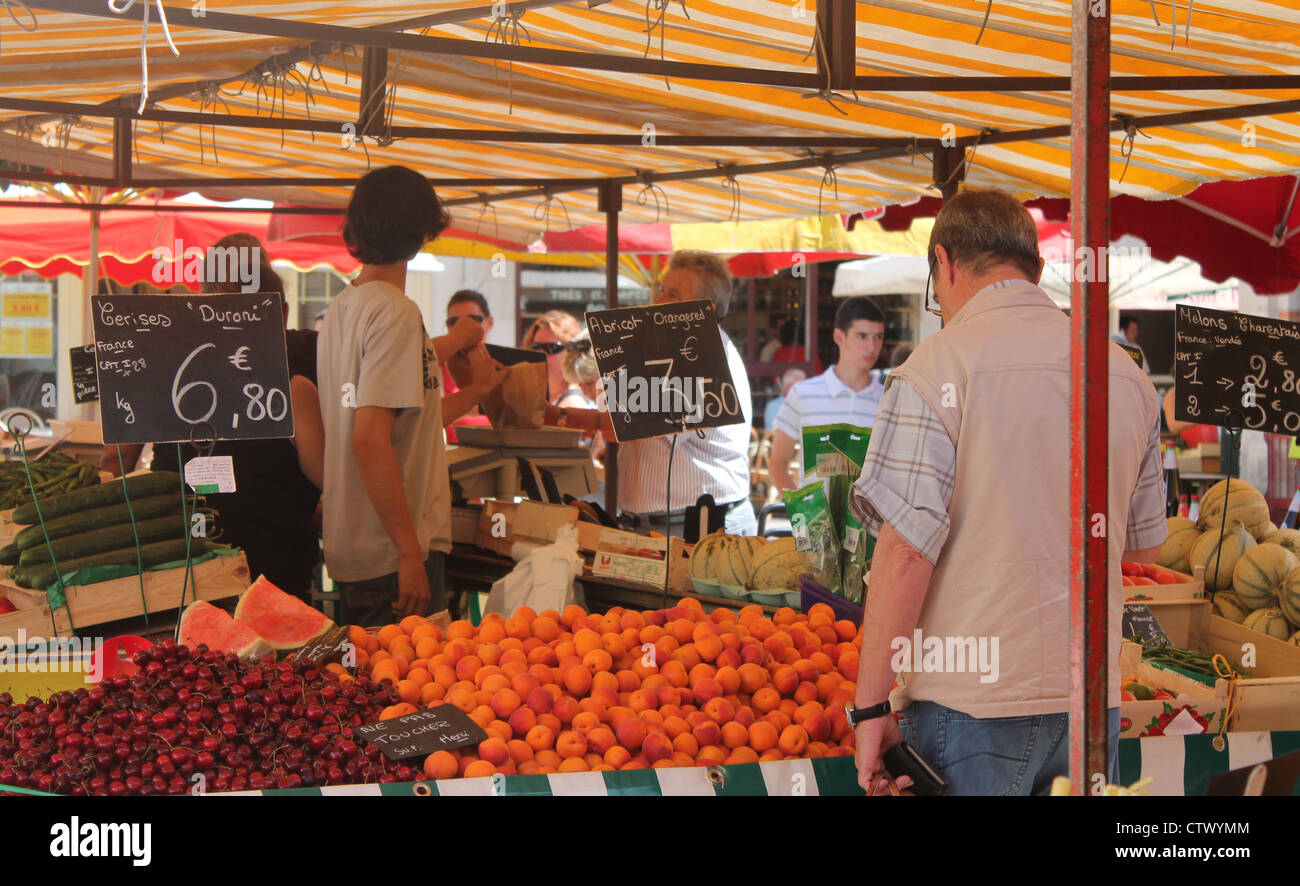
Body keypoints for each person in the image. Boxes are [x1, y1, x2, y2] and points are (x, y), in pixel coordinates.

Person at [849, 188, 1166, 796]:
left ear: (943, 263)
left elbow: (905, 552)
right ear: (1037, 269)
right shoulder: (1125, 374)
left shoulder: (936, 368)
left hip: (971, 704)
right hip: (1091, 698)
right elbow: (1145, 546)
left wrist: (869, 708)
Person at [317, 166, 506, 626]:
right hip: (390, 552)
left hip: (355, 544)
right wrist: (407, 553)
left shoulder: (344, 305)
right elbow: (369, 440)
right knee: (405, 673)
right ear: (423, 231)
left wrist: (477, 390)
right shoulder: (396, 312)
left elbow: (413, 421)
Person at [103, 233, 327, 602]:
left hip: (181, 573)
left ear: (202, 305)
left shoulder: (158, 373)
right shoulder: (296, 385)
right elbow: (331, 482)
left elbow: (115, 462)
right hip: (273, 575)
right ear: (281, 313)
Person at [541, 251, 756, 536]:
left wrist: (554, 416)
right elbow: (635, 426)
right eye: (661, 290)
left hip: (700, 527)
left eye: (673, 294)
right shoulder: (674, 347)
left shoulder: (704, 351)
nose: (659, 300)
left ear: (706, 309)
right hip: (662, 525)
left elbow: (628, 424)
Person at [768, 297, 886, 494]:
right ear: (839, 337)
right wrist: (801, 509)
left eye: (878, 337)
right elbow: (777, 464)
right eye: (862, 336)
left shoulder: (889, 402)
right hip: (815, 514)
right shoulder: (803, 394)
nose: (872, 347)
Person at [442, 289, 496, 444]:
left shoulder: (501, 364)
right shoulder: (436, 367)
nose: (463, 328)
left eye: (473, 320)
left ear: (489, 323)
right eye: (454, 322)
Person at [521, 310, 584, 405]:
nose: (541, 354)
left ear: (571, 352)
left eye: (551, 348)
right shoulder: (533, 394)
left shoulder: (574, 403)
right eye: (536, 347)